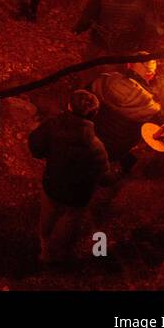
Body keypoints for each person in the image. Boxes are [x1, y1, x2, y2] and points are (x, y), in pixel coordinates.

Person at [28, 89, 110, 265]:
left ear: (69, 107)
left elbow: (36, 148)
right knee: (69, 219)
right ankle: (58, 253)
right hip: (77, 197)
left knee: (48, 215)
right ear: (94, 115)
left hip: (53, 186)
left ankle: (44, 251)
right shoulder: (97, 148)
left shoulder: (52, 127)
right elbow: (104, 178)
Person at [89, 60, 164, 173]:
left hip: (90, 136)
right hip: (116, 151)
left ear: (128, 65)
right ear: (150, 75)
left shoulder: (106, 79)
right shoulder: (151, 105)